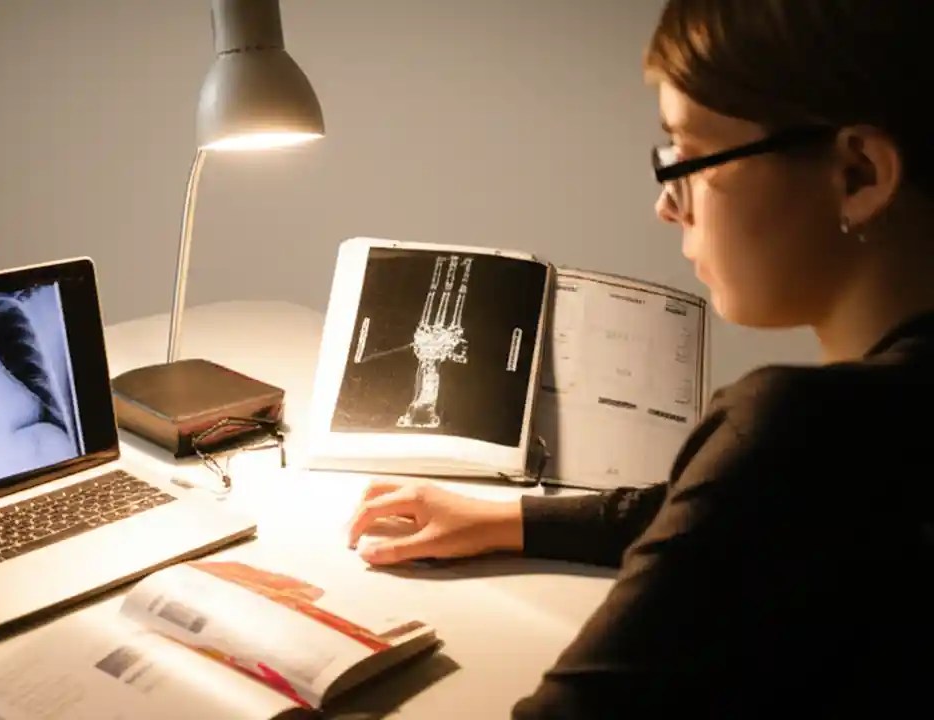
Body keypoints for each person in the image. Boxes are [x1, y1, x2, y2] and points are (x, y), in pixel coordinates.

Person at [346, 1, 934, 717]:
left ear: (859, 173)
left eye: (688, 156)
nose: (667, 206)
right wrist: (512, 520)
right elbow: (730, 513)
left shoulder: (795, 433)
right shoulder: (859, 450)